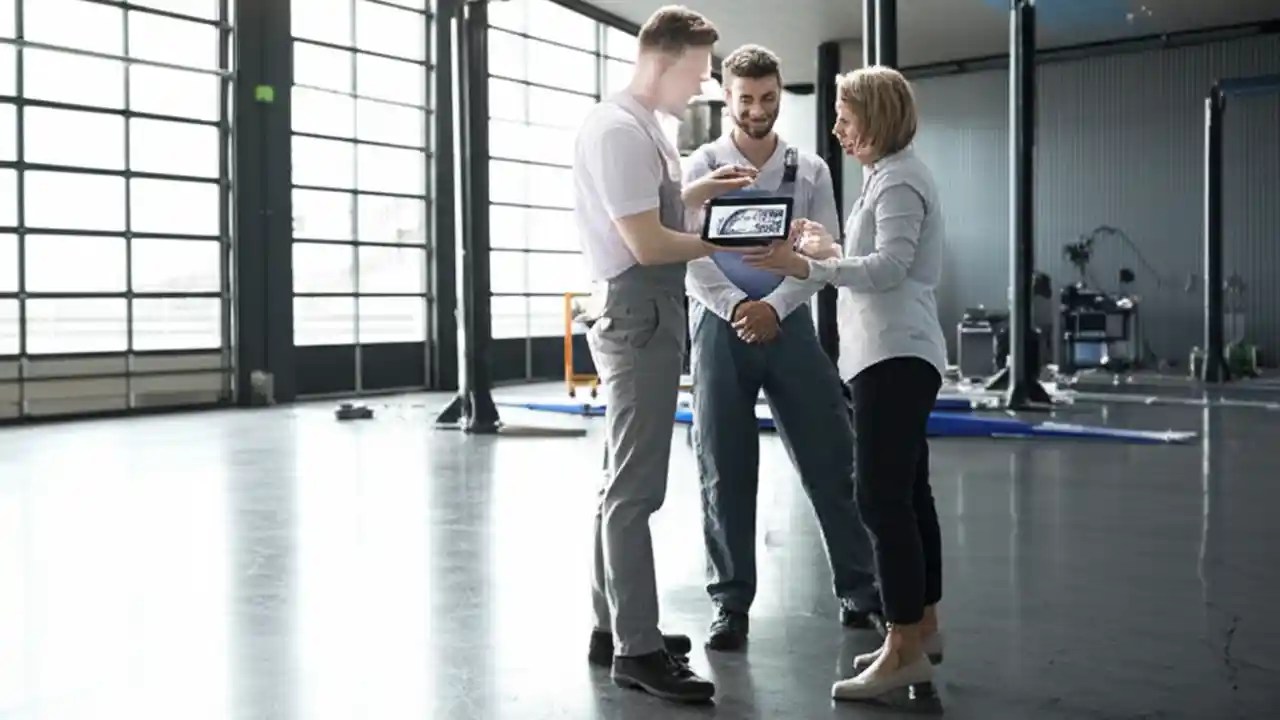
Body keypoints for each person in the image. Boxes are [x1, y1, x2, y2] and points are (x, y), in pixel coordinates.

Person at [744, 65, 949, 703]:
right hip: (889, 357)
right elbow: (880, 260)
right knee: (908, 495)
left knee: (879, 501)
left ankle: (902, 646)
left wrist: (804, 263)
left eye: (845, 116)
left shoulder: (898, 181)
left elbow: (888, 270)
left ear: (877, 117)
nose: (836, 128)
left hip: (896, 358)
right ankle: (921, 630)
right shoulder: (889, 178)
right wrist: (830, 248)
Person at [571, 5, 758, 704]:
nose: (703, 85)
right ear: (665, 59)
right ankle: (639, 652)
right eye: (699, 71)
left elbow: (653, 215)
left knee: (619, 478)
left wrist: (701, 194)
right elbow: (647, 244)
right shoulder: (621, 131)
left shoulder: (643, 125)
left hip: (645, 305)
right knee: (636, 489)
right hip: (640, 307)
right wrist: (729, 242)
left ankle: (612, 627)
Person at [682, 44, 882, 653]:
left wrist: (774, 307)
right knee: (724, 466)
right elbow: (688, 255)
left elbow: (828, 254)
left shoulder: (810, 169)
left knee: (832, 455)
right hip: (719, 325)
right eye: (745, 99)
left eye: (768, 99)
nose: (757, 110)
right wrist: (739, 308)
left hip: (789, 322)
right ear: (726, 94)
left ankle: (860, 591)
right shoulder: (701, 168)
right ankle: (731, 605)